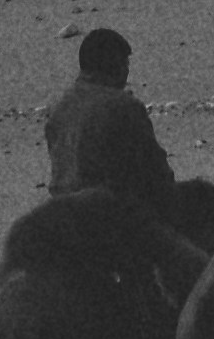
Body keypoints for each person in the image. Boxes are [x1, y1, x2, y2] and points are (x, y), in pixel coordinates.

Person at [40, 24, 178, 215]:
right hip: (106, 213)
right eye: (125, 64)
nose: (127, 72)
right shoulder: (124, 107)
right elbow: (156, 169)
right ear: (116, 66)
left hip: (61, 208)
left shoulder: (58, 107)